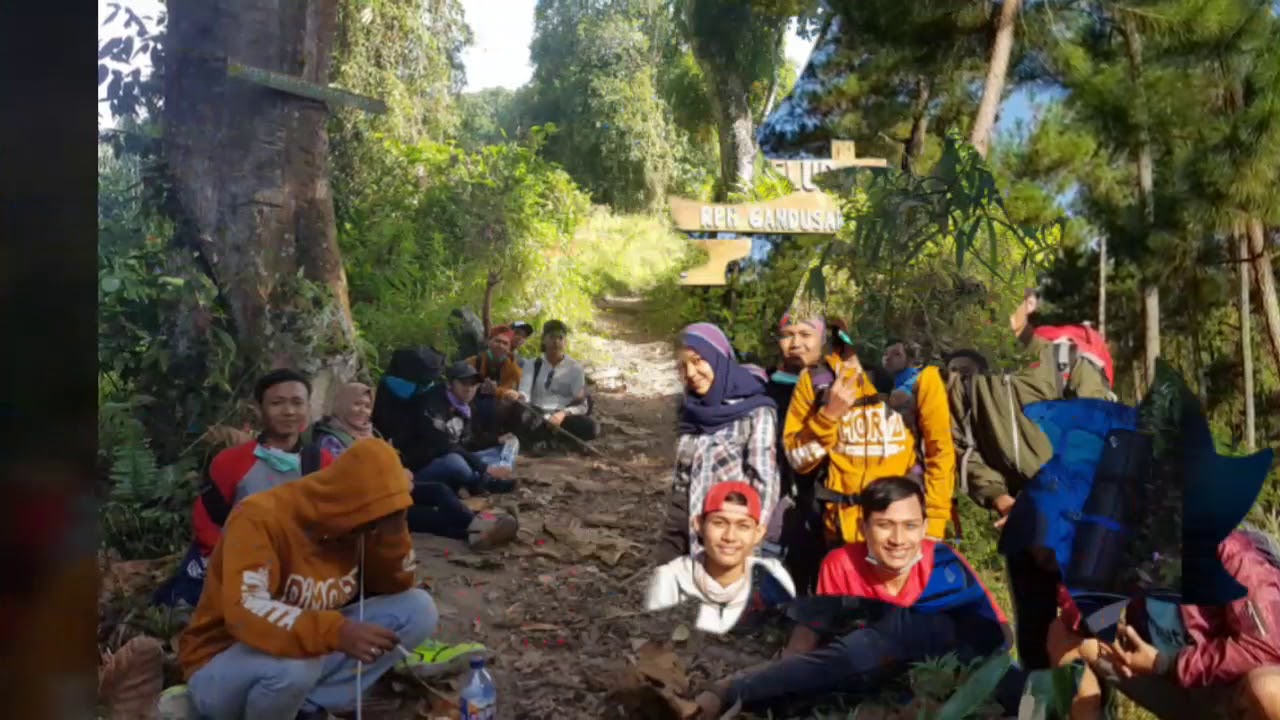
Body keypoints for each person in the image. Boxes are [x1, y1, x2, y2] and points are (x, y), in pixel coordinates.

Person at [158, 439, 449, 719]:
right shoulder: (260, 517)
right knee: (298, 663)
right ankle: (216, 709)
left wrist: (393, 530)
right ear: (346, 500)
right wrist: (334, 632)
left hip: (305, 651)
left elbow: (395, 586)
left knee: (418, 608)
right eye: (373, 518)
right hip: (224, 661)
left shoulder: (366, 525)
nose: (372, 527)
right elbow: (244, 611)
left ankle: (311, 707)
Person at [691, 477, 1015, 718]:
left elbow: (1001, 636)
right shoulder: (842, 563)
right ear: (863, 527)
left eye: (910, 526)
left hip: (951, 669)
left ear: (924, 527)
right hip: (866, 671)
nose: (899, 539)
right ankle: (729, 692)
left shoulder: (945, 562)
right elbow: (804, 649)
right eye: (884, 526)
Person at [1047, 527, 1280, 720]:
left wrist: (1166, 664)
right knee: (1064, 635)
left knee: (1267, 690)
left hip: (1224, 697)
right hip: (1167, 681)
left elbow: (1264, 648)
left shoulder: (1235, 556)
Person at [157, 370, 335, 609]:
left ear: (308, 408)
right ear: (260, 408)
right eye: (277, 403)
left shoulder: (323, 463)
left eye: (297, 402)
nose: (289, 411)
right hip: (235, 561)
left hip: (298, 566)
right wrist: (235, 560)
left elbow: (333, 521)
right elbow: (207, 520)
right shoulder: (230, 462)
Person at [783, 326, 955, 546]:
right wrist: (828, 416)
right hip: (841, 532)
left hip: (903, 532)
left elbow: (940, 453)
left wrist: (935, 522)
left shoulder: (923, 380)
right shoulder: (817, 379)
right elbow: (799, 461)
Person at [656, 323, 780, 564]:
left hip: (726, 526)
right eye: (682, 366)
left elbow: (765, 481)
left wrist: (750, 537)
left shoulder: (755, 412)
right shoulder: (689, 409)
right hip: (680, 519)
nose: (691, 373)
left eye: (698, 360)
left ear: (719, 359)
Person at [646, 481, 795, 635]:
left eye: (743, 526)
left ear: (758, 533)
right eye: (719, 523)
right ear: (698, 524)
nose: (730, 537)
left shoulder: (772, 579)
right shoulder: (674, 579)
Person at [768, 310, 832, 596]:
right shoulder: (764, 386)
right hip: (778, 491)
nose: (795, 343)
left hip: (828, 495)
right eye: (787, 335)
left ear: (823, 340)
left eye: (805, 334)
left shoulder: (838, 384)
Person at [400, 361, 518, 496]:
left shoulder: (467, 406)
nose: (469, 389)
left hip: (459, 454)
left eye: (473, 384)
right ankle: (486, 481)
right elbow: (447, 446)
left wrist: (497, 440)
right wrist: (486, 468)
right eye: (464, 383)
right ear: (449, 384)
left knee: (510, 443)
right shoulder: (432, 406)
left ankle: (479, 478)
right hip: (426, 465)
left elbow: (470, 441)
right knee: (456, 463)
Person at [514, 319, 601, 450]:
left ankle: (545, 439)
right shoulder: (532, 364)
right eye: (552, 337)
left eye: (560, 338)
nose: (556, 341)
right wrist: (520, 398)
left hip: (563, 417)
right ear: (544, 340)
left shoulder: (575, 368)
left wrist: (562, 414)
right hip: (537, 415)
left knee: (592, 427)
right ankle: (555, 439)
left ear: (565, 342)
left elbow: (582, 405)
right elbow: (524, 393)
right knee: (519, 414)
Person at [468, 325, 523, 438]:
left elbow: (514, 390)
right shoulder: (474, 362)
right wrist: (478, 387)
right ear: (489, 342)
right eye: (497, 341)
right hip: (473, 405)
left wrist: (496, 391)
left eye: (505, 343)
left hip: (497, 409)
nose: (500, 346)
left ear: (509, 348)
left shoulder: (512, 368)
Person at [312, 382, 375, 457]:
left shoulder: (372, 433)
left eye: (367, 406)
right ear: (343, 404)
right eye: (357, 404)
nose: (363, 410)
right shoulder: (331, 440)